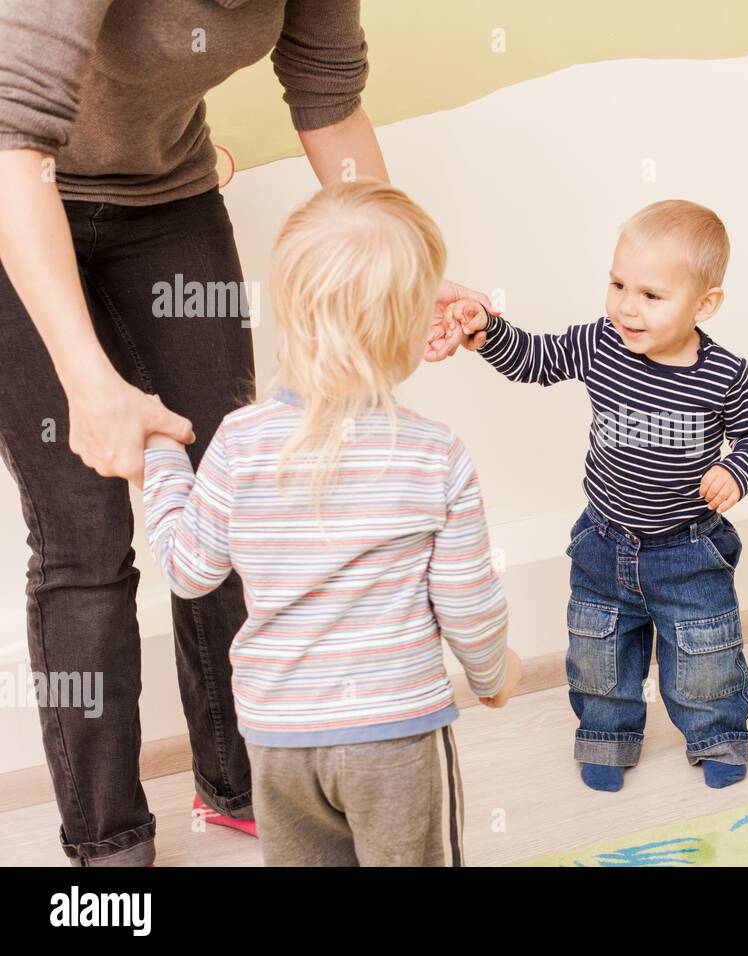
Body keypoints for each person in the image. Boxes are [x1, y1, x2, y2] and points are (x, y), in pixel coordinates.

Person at [0, 0, 491, 866]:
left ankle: (237, 783)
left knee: (241, 501)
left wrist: (406, 276)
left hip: (166, 200)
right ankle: (108, 844)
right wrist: (87, 381)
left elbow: (328, 99)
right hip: (15, 192)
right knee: (83, 538)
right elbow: (13, 143)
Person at [136, 179, 522, 866]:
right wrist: (494, 674)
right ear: (407, 330)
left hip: (279, 740)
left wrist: (164, 458)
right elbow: (468, 603)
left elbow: (188, 571)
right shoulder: (435, 454)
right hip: (395, 735)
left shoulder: (238, 441)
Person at [440, 199, 748, 791]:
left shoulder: (722, 373)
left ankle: (716, 733)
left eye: (651, 295)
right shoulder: (601, 344)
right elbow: (537, 360)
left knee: (705, 653)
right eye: (619, 284)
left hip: (688, 550)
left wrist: (737, 470)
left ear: (705, 304)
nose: (627, 305)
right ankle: (607, 734)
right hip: (603, 539)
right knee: (599, 650)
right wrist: (488, 331)